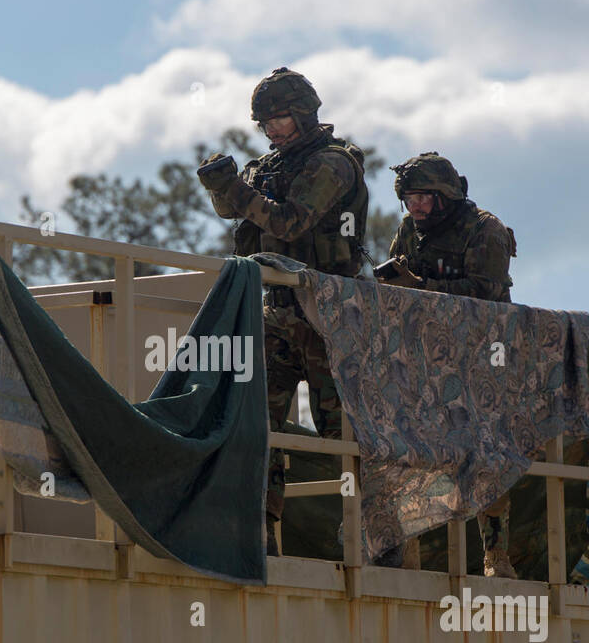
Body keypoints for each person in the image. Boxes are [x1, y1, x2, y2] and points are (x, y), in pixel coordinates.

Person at [197, 67, 368, 555]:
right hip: (277, 311)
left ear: (305, 114)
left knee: (341, 430)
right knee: (258, 423)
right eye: (265, 121)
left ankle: (367, 532)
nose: (272, 129)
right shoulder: (266, 166)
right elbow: (234, 212)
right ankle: (261, 530)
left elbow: (291, 222)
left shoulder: (332, 164)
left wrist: (238, 191)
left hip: (329, 313)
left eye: (281, 119)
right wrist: (222, 185)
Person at [383, 152, 520, 577]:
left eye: (423, 197)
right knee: (413, 454)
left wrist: (422, 287)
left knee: (485, 456)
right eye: (408, 198)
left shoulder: (485, 229)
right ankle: (409, 554)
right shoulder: (410, 229)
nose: (415, 207)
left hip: (482, 356)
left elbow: (485, 292)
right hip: (425, 358)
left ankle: (495, 555)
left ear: (444, 195)